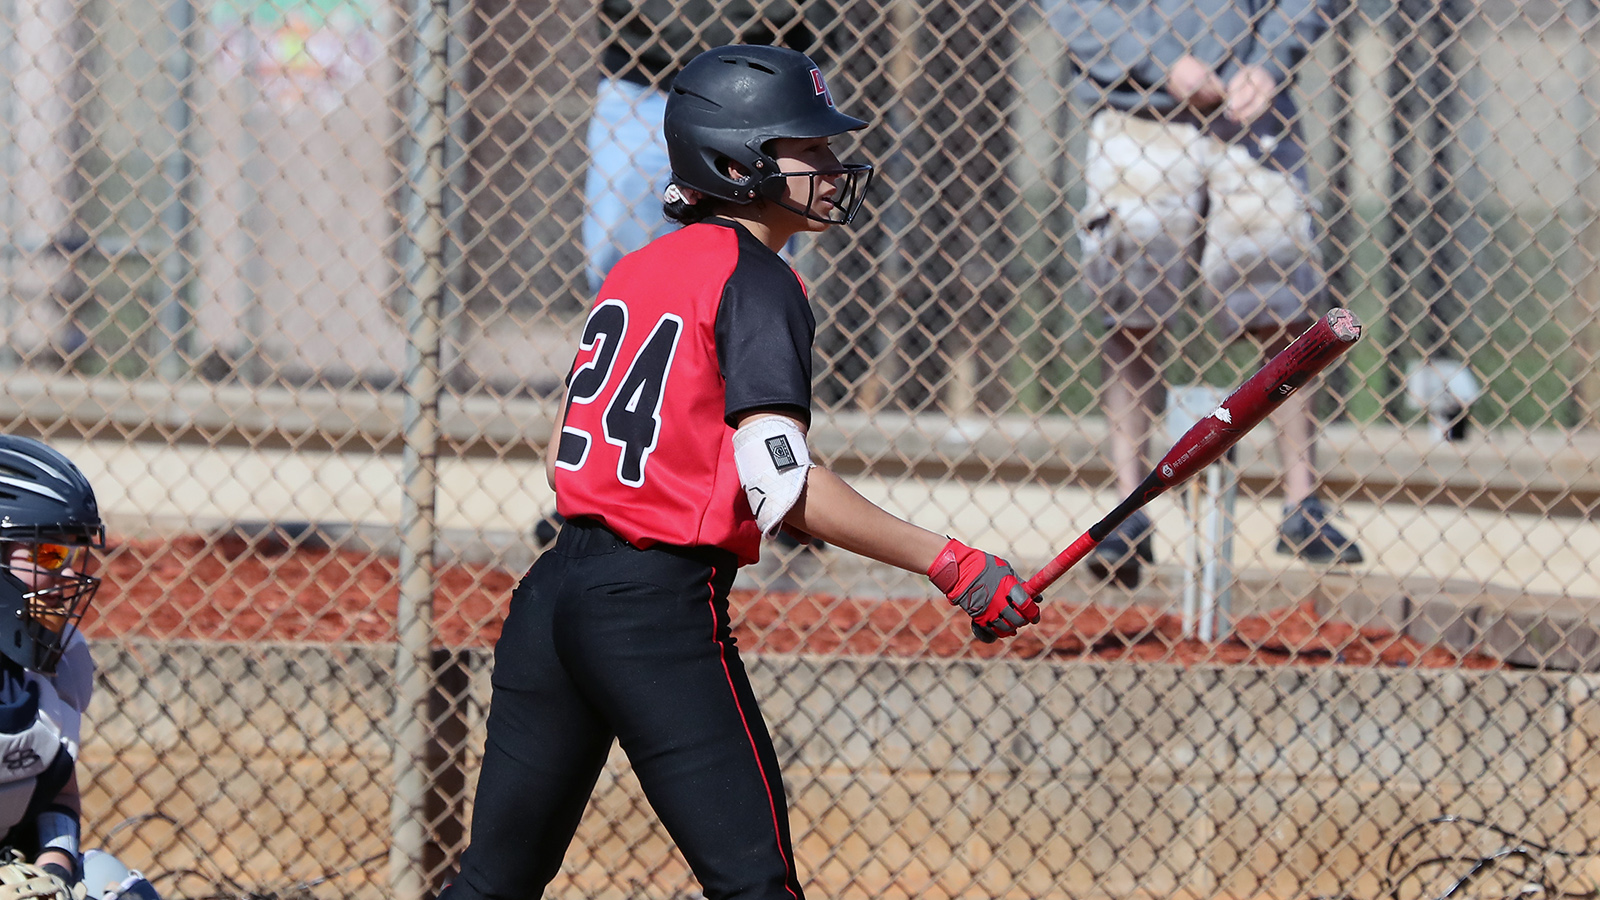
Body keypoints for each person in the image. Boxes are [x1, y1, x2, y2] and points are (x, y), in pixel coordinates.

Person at [437, 44, 1040, 900]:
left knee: (491, 886)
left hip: (549, 600)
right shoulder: (762, 282)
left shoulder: (637, 266)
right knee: (754, 887)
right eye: (811, 148)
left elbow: (562, 452)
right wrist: (951, 563)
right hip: (654, 609)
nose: (835, 167)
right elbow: (783, 487)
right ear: (737, 160)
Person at [1049, 0, 1362, 587]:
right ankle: (1126, 513)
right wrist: (1161, 60)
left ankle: (1302, 504)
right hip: (1139, 109)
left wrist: (1268, 61)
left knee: (1286, 312)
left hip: (1253, 115)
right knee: (1131, 314)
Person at [0, 436, 158, 900]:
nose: (71, 575)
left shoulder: (60, 663)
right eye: (50, 554)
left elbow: (56, 796)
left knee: (119, 889)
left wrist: (52, 874)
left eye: (74, 555)